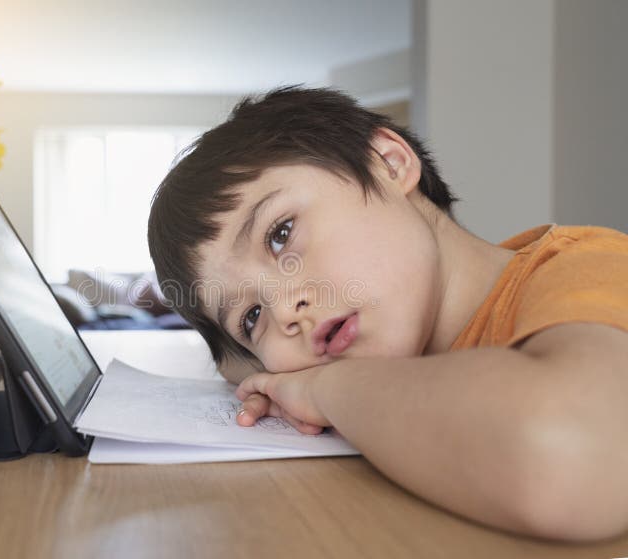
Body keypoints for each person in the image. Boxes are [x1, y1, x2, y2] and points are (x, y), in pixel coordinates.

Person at [146, 86, 628, 541]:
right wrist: (275, 376)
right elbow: (242, 365)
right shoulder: (390, 357)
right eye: (251, 317)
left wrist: (323, 388)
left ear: (389, 164)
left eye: (280, 235)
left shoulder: (586, 267)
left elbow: (572, 458)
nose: (284, 309)